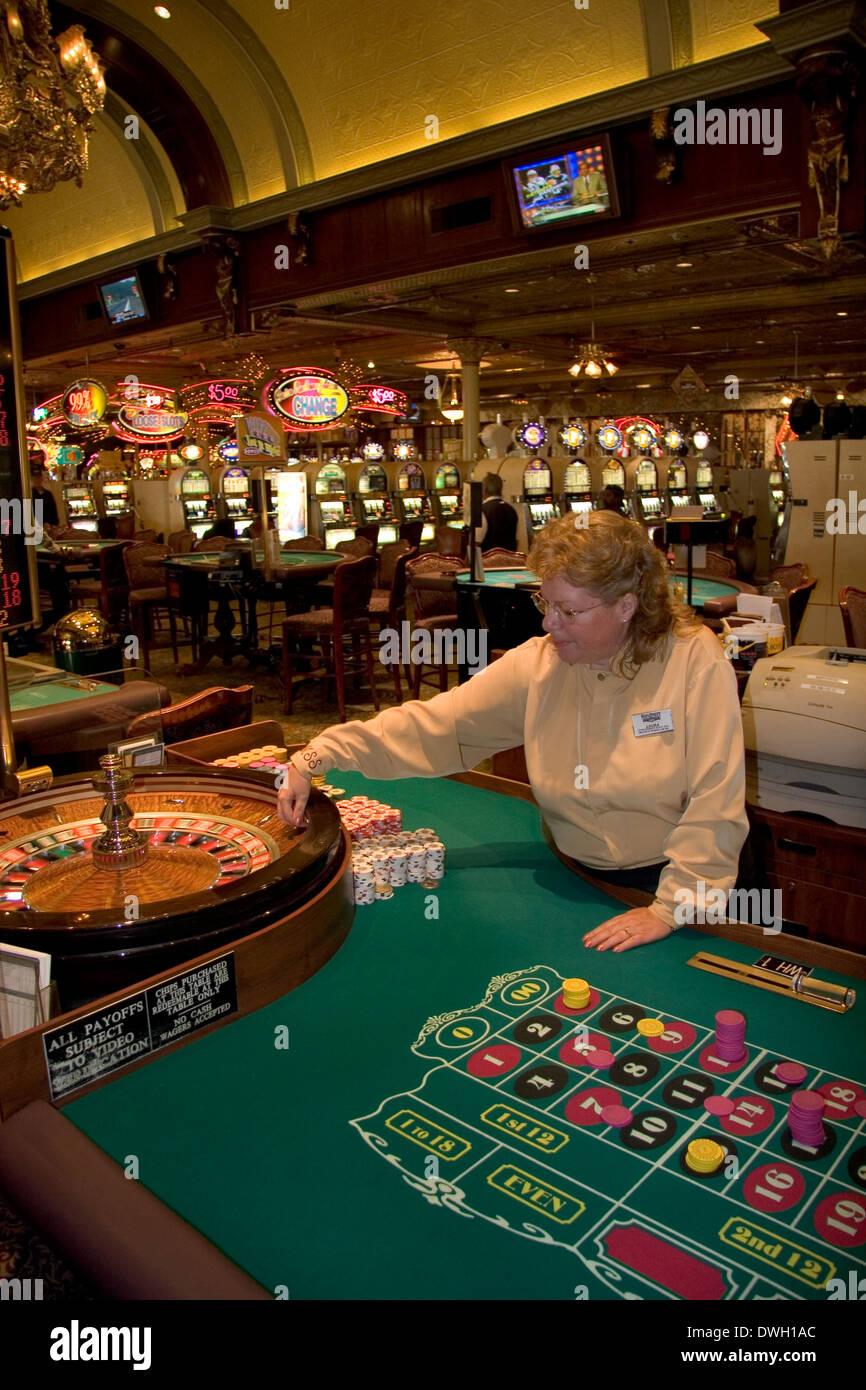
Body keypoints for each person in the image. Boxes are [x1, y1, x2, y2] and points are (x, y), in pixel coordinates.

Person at [279, 512, 748, 954]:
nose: (549, 624)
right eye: (546, 603)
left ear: (627, 604)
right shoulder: (541, 662)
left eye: (568, 610)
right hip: (571, 875)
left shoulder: (692, 659)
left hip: (671, 889)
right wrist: (320, 754)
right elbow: (438, 725)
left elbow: (716, 794)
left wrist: (672, 909)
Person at [479, 473, 518, 553]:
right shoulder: (511, 509)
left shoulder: (482, 510)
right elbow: (516, 540)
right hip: (509, 559)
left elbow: (477, 541)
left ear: (484, 490)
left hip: (487, 560)